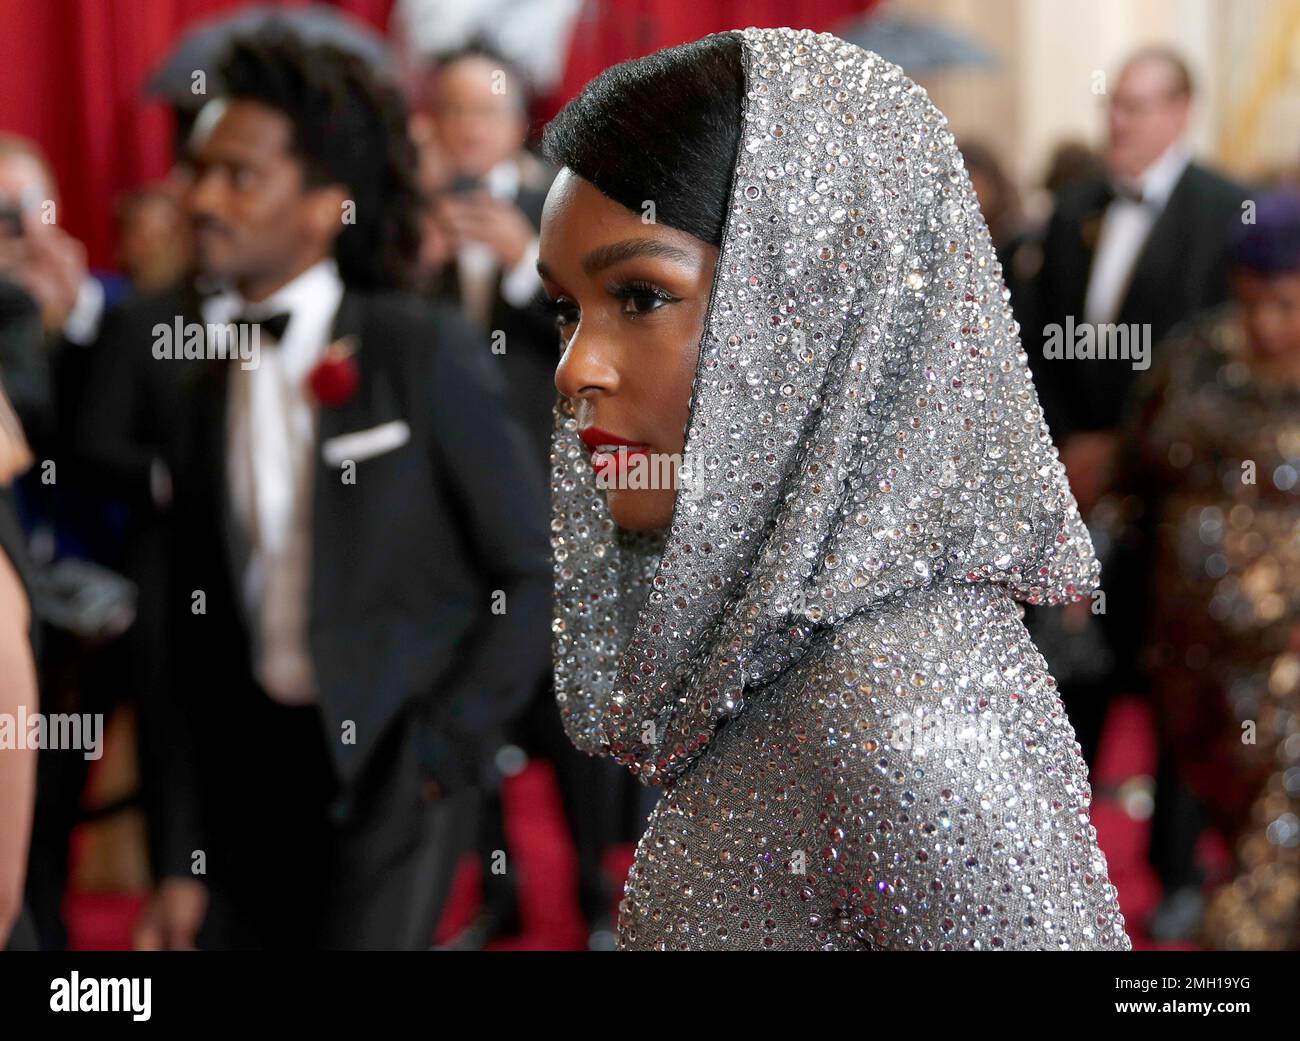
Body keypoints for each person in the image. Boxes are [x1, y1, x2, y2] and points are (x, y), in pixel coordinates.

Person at [538, 26, 1131, 950]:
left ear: (816, 311)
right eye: (565, 310)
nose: (576, 371)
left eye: (641, 297)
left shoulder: (900, 716)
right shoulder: (793, 646)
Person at [128, 31, 550, 950]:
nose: (200, 198)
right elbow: (181, 639)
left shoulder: (420, 351)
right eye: (199, 170)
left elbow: (532, 569)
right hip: (248, 784)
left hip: (396, 764)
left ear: (325, 206)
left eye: (239, 175)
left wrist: (445, 750)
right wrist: (173, 854)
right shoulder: (195, 377)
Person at [1030, 47, 1248, 938]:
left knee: (1172, 698)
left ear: (1180, 113)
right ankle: (1055, 870)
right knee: (1065, 690)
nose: (1118, 124)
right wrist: (1063, 451)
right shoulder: (1075, 208)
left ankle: (1173, 883)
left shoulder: (1218, 211)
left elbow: (1218, 361)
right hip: (1076, 503)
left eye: (1137, 108)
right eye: (1112, 106)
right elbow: (1034, 345)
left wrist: (1125, 450)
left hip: (1171, 505)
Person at [1111, 191, 1300, 949]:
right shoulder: (1194, 359)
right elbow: (1137, 471)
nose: (1264, 325)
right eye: (1252, 301)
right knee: (1235, 821)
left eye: (1285, 305)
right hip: (1192, 666)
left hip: (1286, 668)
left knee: (1270, 869)